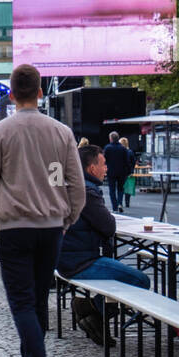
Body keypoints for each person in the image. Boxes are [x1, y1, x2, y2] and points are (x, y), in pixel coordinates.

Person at [0, 63, 86, 357]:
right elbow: (77, 186)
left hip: (13, 227)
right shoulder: (62, 132)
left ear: (10, 94)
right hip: (51, 228)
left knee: (21, 302)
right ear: (40, 92)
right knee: (38, 300)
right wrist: (67, 218)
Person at [58, 145, 150, 346]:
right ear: (92, 168)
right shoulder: (87, 193)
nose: (106, 169)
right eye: (103, 164)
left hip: (66, 257)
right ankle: (93, 310)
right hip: (79, 262)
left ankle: (91, 311)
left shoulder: (72, 186)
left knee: (125, 275)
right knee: (141, 281)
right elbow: (108, 227)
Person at [102, 131, 129, 212]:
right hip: (122, 171)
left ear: (111, 139)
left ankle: (115, 206)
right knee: (120, 189)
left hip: (111, 171)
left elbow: (104, 160)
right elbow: (126, 161)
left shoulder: (108, 148)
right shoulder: (123, 148)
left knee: (112, 189)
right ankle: (120, 203)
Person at [120, 137, 137, 208]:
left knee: (120, 187)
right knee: (128, 187)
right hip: (128, 171)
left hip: (121, 171)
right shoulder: (130, 152)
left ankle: (119, 202)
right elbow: (133, 162)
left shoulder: (120, 152)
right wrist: (132, 170)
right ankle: (127, 202)